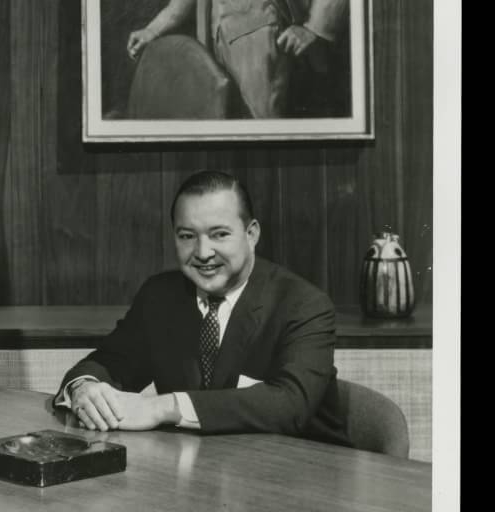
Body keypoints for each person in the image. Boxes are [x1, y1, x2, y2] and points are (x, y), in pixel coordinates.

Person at [55, 171, 349, 447]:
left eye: (219, 234)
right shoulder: (160, 297)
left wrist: (165, 406)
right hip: (198, 469)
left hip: (300, 468)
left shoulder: (303, 304)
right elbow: (109, 363)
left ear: (251, 234)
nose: (203, 252)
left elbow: (290, 405)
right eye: (187, 236)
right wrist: (84, 388)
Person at [125, 0, 349, 118]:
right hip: (214, 41)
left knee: (263, 136)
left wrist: (316, 28)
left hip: (261, 40)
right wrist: (153, 30)